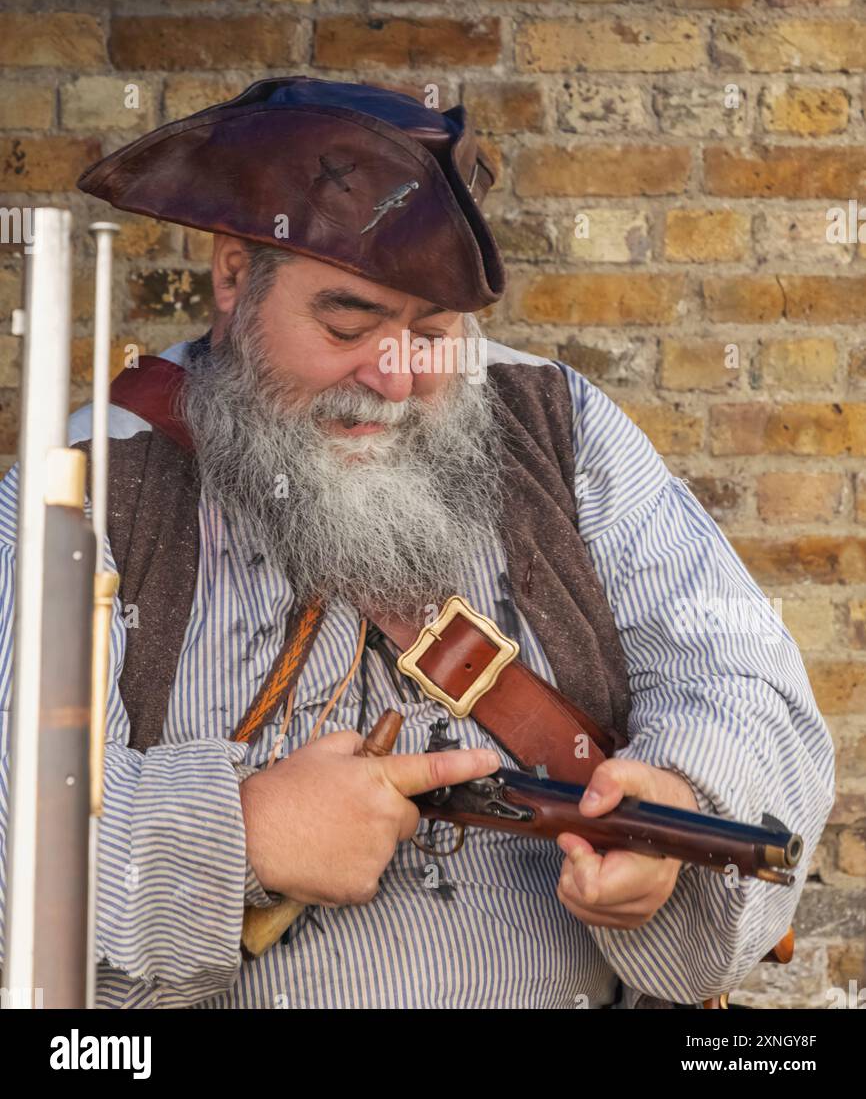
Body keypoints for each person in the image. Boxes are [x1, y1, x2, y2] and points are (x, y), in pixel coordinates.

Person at [0, 77, 834, 1009]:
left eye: (432, 334)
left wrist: (677, 809)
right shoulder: (87, 481)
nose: (394, 381)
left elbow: (741, 673)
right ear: (233, 276)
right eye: (347, 323)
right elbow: (16, 834)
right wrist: (242, 838)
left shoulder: (563, 427)